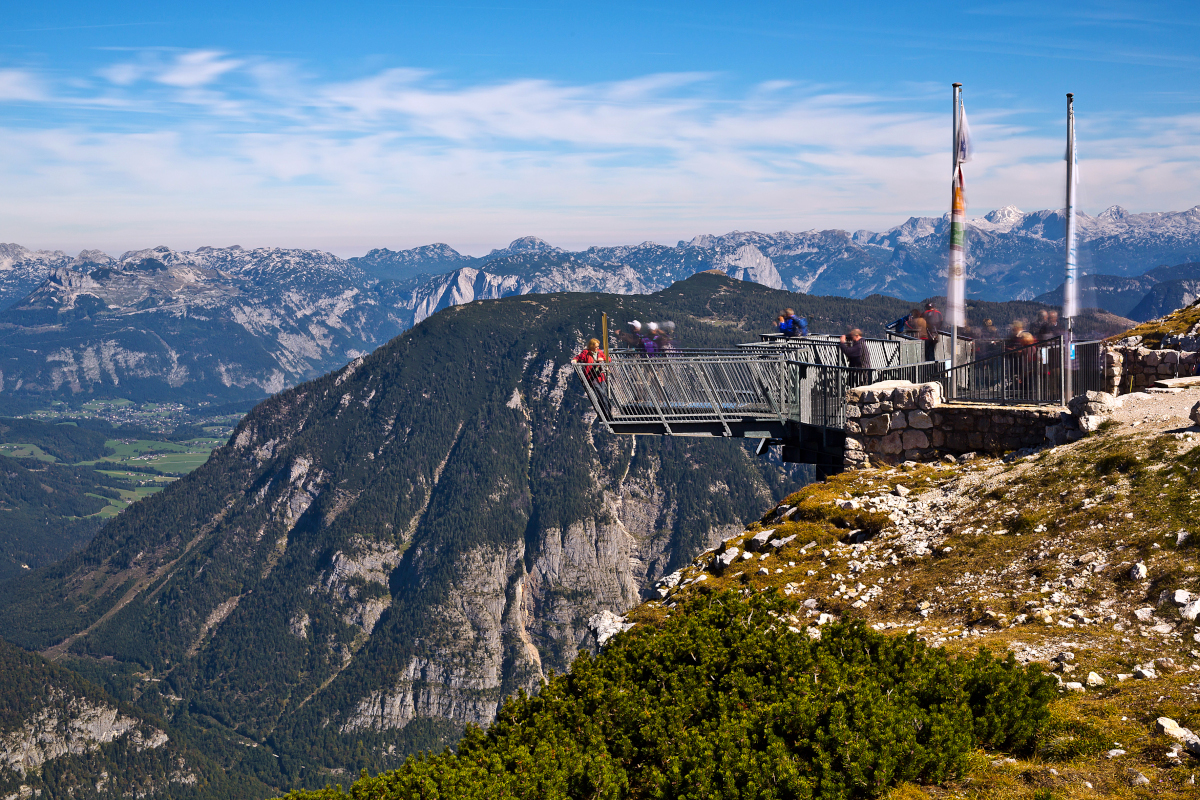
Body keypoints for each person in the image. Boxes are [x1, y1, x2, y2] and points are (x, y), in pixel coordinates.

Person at [573, 338, 610, 414]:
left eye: (598, 346)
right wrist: (575, 360)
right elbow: (578, 357)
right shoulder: (586, 353)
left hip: (600, 376)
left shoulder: (600, 352)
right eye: (596, 347)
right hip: (591, 377)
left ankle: (607, 412)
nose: (597, 348)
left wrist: (602, 359)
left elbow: (608, 359)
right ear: (591, 346)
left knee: (604, 394)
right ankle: (606, 412)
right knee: (601, 393)